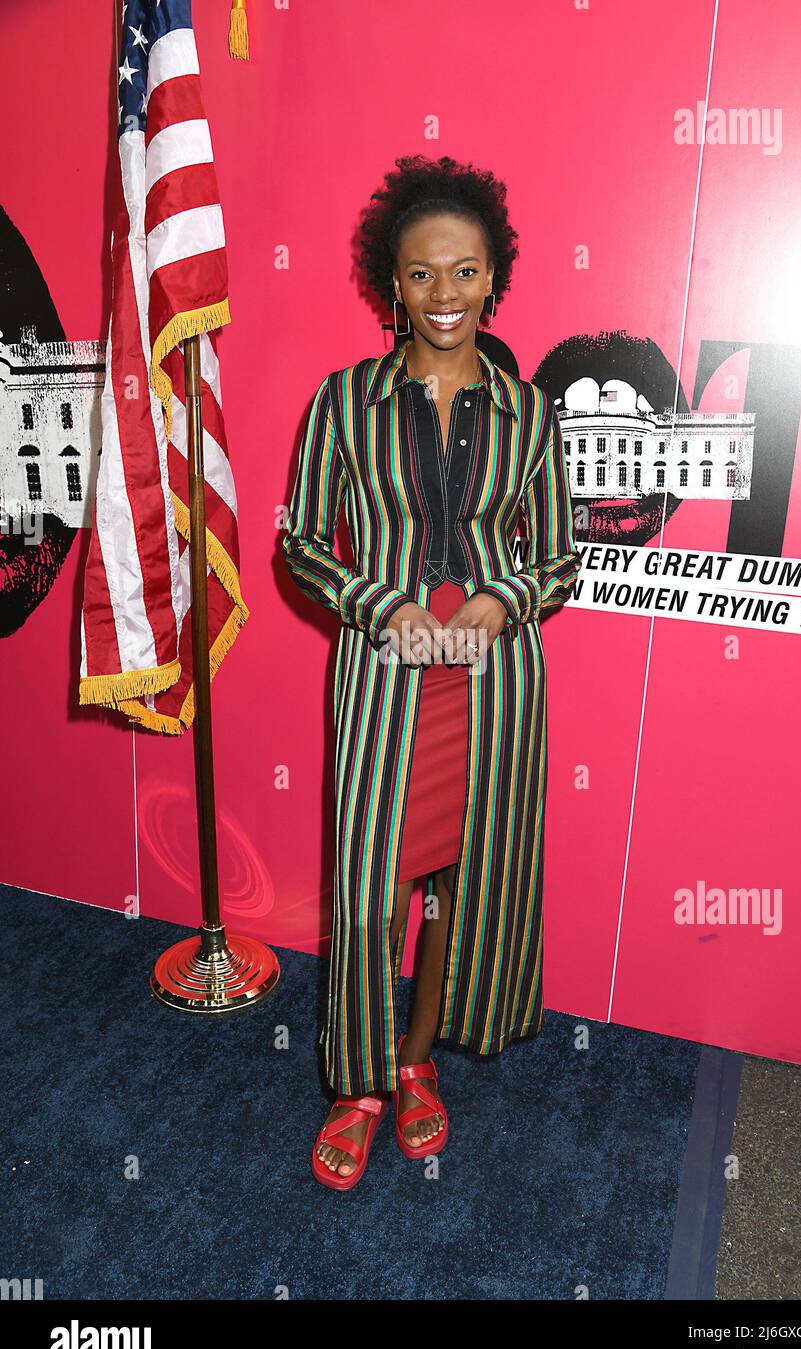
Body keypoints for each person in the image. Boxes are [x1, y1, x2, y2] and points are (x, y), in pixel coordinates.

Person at [282, 154, 582, 1189]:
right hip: (385, 677)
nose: (444, 294)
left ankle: (414, 1063)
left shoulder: (528, 413)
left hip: (492, 689)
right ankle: (356, 1086)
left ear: (493, 275)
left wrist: (505, 598)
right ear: (389, 284)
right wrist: (383, 605)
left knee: (458, 888)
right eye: (420, 275)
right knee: (371, 886)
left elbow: (559, 555)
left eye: (464, 272)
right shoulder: (341, 403)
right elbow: (303, 546)